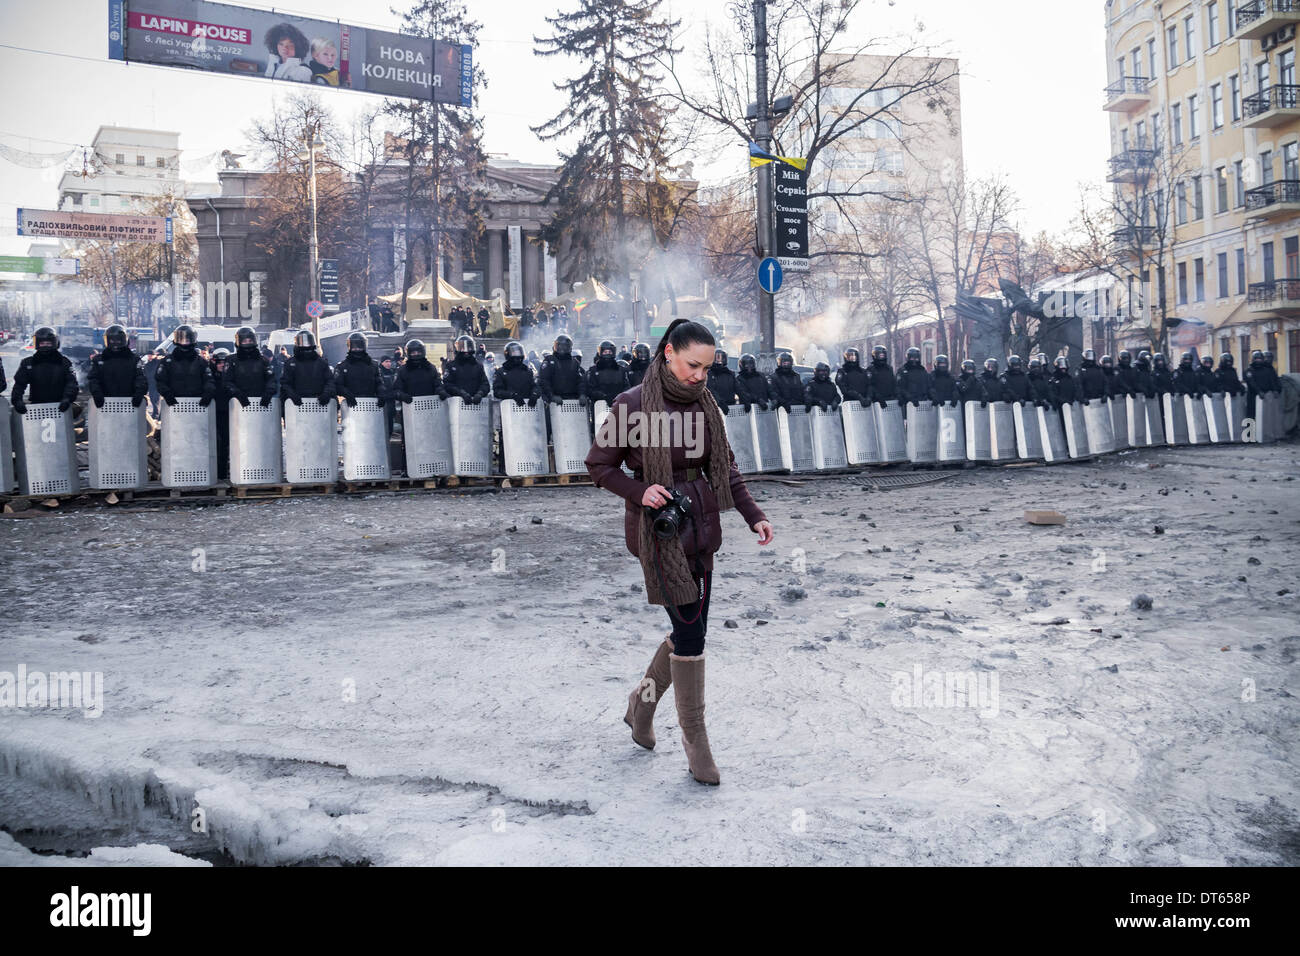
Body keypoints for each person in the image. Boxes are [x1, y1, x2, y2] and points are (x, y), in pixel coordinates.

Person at [584, 318, 774, 786]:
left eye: (707, 369)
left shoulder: (707, 405)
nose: (700, 377)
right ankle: (695, 739)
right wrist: (639, 490)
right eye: (693, 365)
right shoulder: (629, 405)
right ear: (668, 352)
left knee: (689, 633)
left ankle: (640, 706)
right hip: (659, 533)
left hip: (703, 529)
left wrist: (754, 514)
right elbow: (598, 465)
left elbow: (725, 469)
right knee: (691, 636)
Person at [10, 326, 78, 415]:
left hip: (60, 406)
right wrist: (17, 400)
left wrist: (67, 398)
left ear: (55, 343)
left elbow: (72, 383)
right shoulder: (28, 363)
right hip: (37, 407)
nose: (45, 346)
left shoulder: (64, 362)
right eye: (42, 343)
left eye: (48, 343)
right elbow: (19, 384)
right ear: (37, 344)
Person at [87, 324, 147, 410]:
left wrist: (139, 394)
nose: (114, 342)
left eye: (117, 340)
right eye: (112, 340)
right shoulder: (99, 360)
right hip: (105, 406)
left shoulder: (134, 360)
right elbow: (93, 379)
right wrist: (97, 394)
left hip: (130, 405)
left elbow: (141, 378)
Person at [156, 325, 215, 409]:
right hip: (173, 405)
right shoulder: (167, 361)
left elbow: (209, 381)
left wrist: (207, 395)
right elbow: (160, 381)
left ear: (192, 341)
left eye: (187, 340)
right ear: (176, 341)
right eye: (181, 340)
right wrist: (167, 395)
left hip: (197, 405)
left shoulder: (201, 362)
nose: (184, 343)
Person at [279, 329, 335, 409]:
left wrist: (326, 394)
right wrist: (292, 395)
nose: (306, 346)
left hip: (319, 404)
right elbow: (285, 383)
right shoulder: (290, 363)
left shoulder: (321, 362)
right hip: (296, 406)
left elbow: (330, 380)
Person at [226, 327, 275, 411]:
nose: (247, 343)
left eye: (250, 341)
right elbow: (227, 381)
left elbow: (271, 379)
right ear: (239, 342)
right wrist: (238, 394)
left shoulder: (263, 360)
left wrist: (268, 393)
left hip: (260, 403)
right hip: (238, 404)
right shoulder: (231, 360)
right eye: (244, 341)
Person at [538, 333, 586, 405]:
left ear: (569, 347)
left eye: (565, 346)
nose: (562, 348)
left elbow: (581, 381)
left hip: (573, 400)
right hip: (555, 402)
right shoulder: (549, 360)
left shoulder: (574, 362)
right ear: (555, 346)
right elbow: (544, 380)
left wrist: (582, 394)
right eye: (559, 345)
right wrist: (551, 396)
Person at [443, 334, 491, 404]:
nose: (466, 351)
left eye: (468, 347)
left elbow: (485, 384)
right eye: (462, 347)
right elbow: (447, 384)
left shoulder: (478, 366)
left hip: (476, 404)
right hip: (457, 404)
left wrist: (480, 393)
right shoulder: (451, 366)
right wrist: (461, 393)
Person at [492, 340, 540, 406]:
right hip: (509, 408)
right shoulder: (501, 371)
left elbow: (535, 386)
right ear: (508, 353)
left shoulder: (527, 371)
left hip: (528, 408)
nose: (517, 355)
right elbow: (497, 391)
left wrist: (534, 394)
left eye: (519, 352)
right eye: (514, 352)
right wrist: (512, 395)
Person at [210, 348, 233, 480]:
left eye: (224, 363)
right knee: (215, 443)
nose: (221, 365)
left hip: (228, 413)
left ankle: (223, 472)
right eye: (219, 362)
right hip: (213, 413)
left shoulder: (231, 376)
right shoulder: (210, 376)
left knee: (225, 443)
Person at [587, 339, 631, 406]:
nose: (607, 354)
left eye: (609, 352)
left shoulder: (621, 370)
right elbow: (591, 389)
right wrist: (604, 396)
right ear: (601, 352)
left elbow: (626, 386)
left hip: (619, 403)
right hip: (599, 405)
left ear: (613, 352)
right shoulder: (593, 370)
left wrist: (618, 396)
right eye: (605, 352)